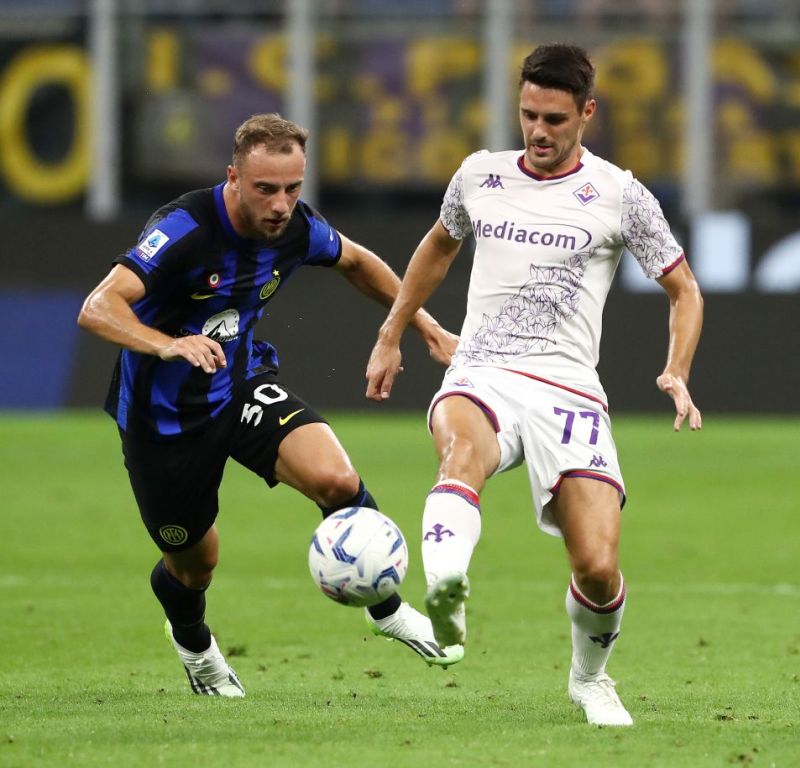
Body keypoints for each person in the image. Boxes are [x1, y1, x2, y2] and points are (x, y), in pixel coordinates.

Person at [365, 43, 703, 726]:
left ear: (586, 113)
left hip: (570, 390)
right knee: (461, 453)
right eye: (527, 115)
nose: (538, 131)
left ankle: (589, 680)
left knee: (599, 566)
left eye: (553, 117)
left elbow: (684, 289)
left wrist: (677, 370)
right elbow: (438, 245)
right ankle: (446, 587)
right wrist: (394, 329)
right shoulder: (478, 176)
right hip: (482, 369)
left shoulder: (620, 194)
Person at [78, 113, 463, 698]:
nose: (281, 204)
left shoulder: (296, 228)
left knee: (337, 479)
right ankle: (194, 644)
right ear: (233, 177)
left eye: (292, 188)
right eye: (266, 189)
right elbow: (98, 307)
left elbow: (358, 262)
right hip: (164, 420)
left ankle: (383, 608)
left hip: (238, 384)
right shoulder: (183, 229)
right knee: (194, 563)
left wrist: (424, 326)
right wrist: (169, 344)